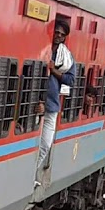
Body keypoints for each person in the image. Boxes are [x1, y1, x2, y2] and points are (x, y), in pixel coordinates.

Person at [35, 18, 76, 186]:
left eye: (61, 34)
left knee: (45, 144)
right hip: (35, 105)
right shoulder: (41, 49)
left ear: (65, 37)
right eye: (56, 32)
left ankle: (32, 173)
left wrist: (54, 71)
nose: (58, 35)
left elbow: (71, 80)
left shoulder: (65, 57)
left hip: (51, 106)